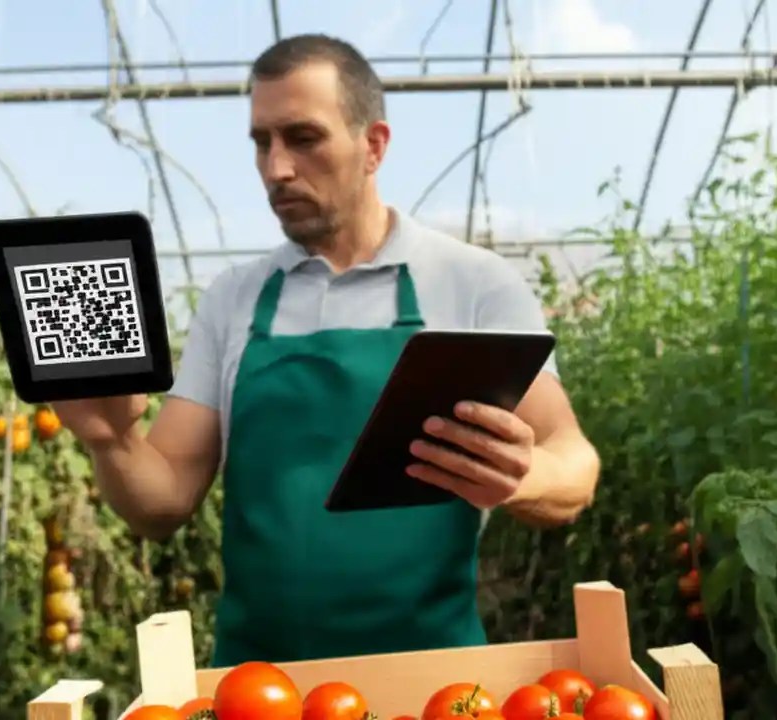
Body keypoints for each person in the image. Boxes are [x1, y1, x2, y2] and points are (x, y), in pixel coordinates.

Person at [51, 33, 600, 667]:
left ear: (374, 146)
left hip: (435, 685)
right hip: (259, 688)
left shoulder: (473, 283)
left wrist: (521, 474)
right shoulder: (234, 299)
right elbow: (163, 500)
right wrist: (113, 442)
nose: (276, 168)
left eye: (303, 138)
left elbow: (574, 463)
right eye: (262, 142)